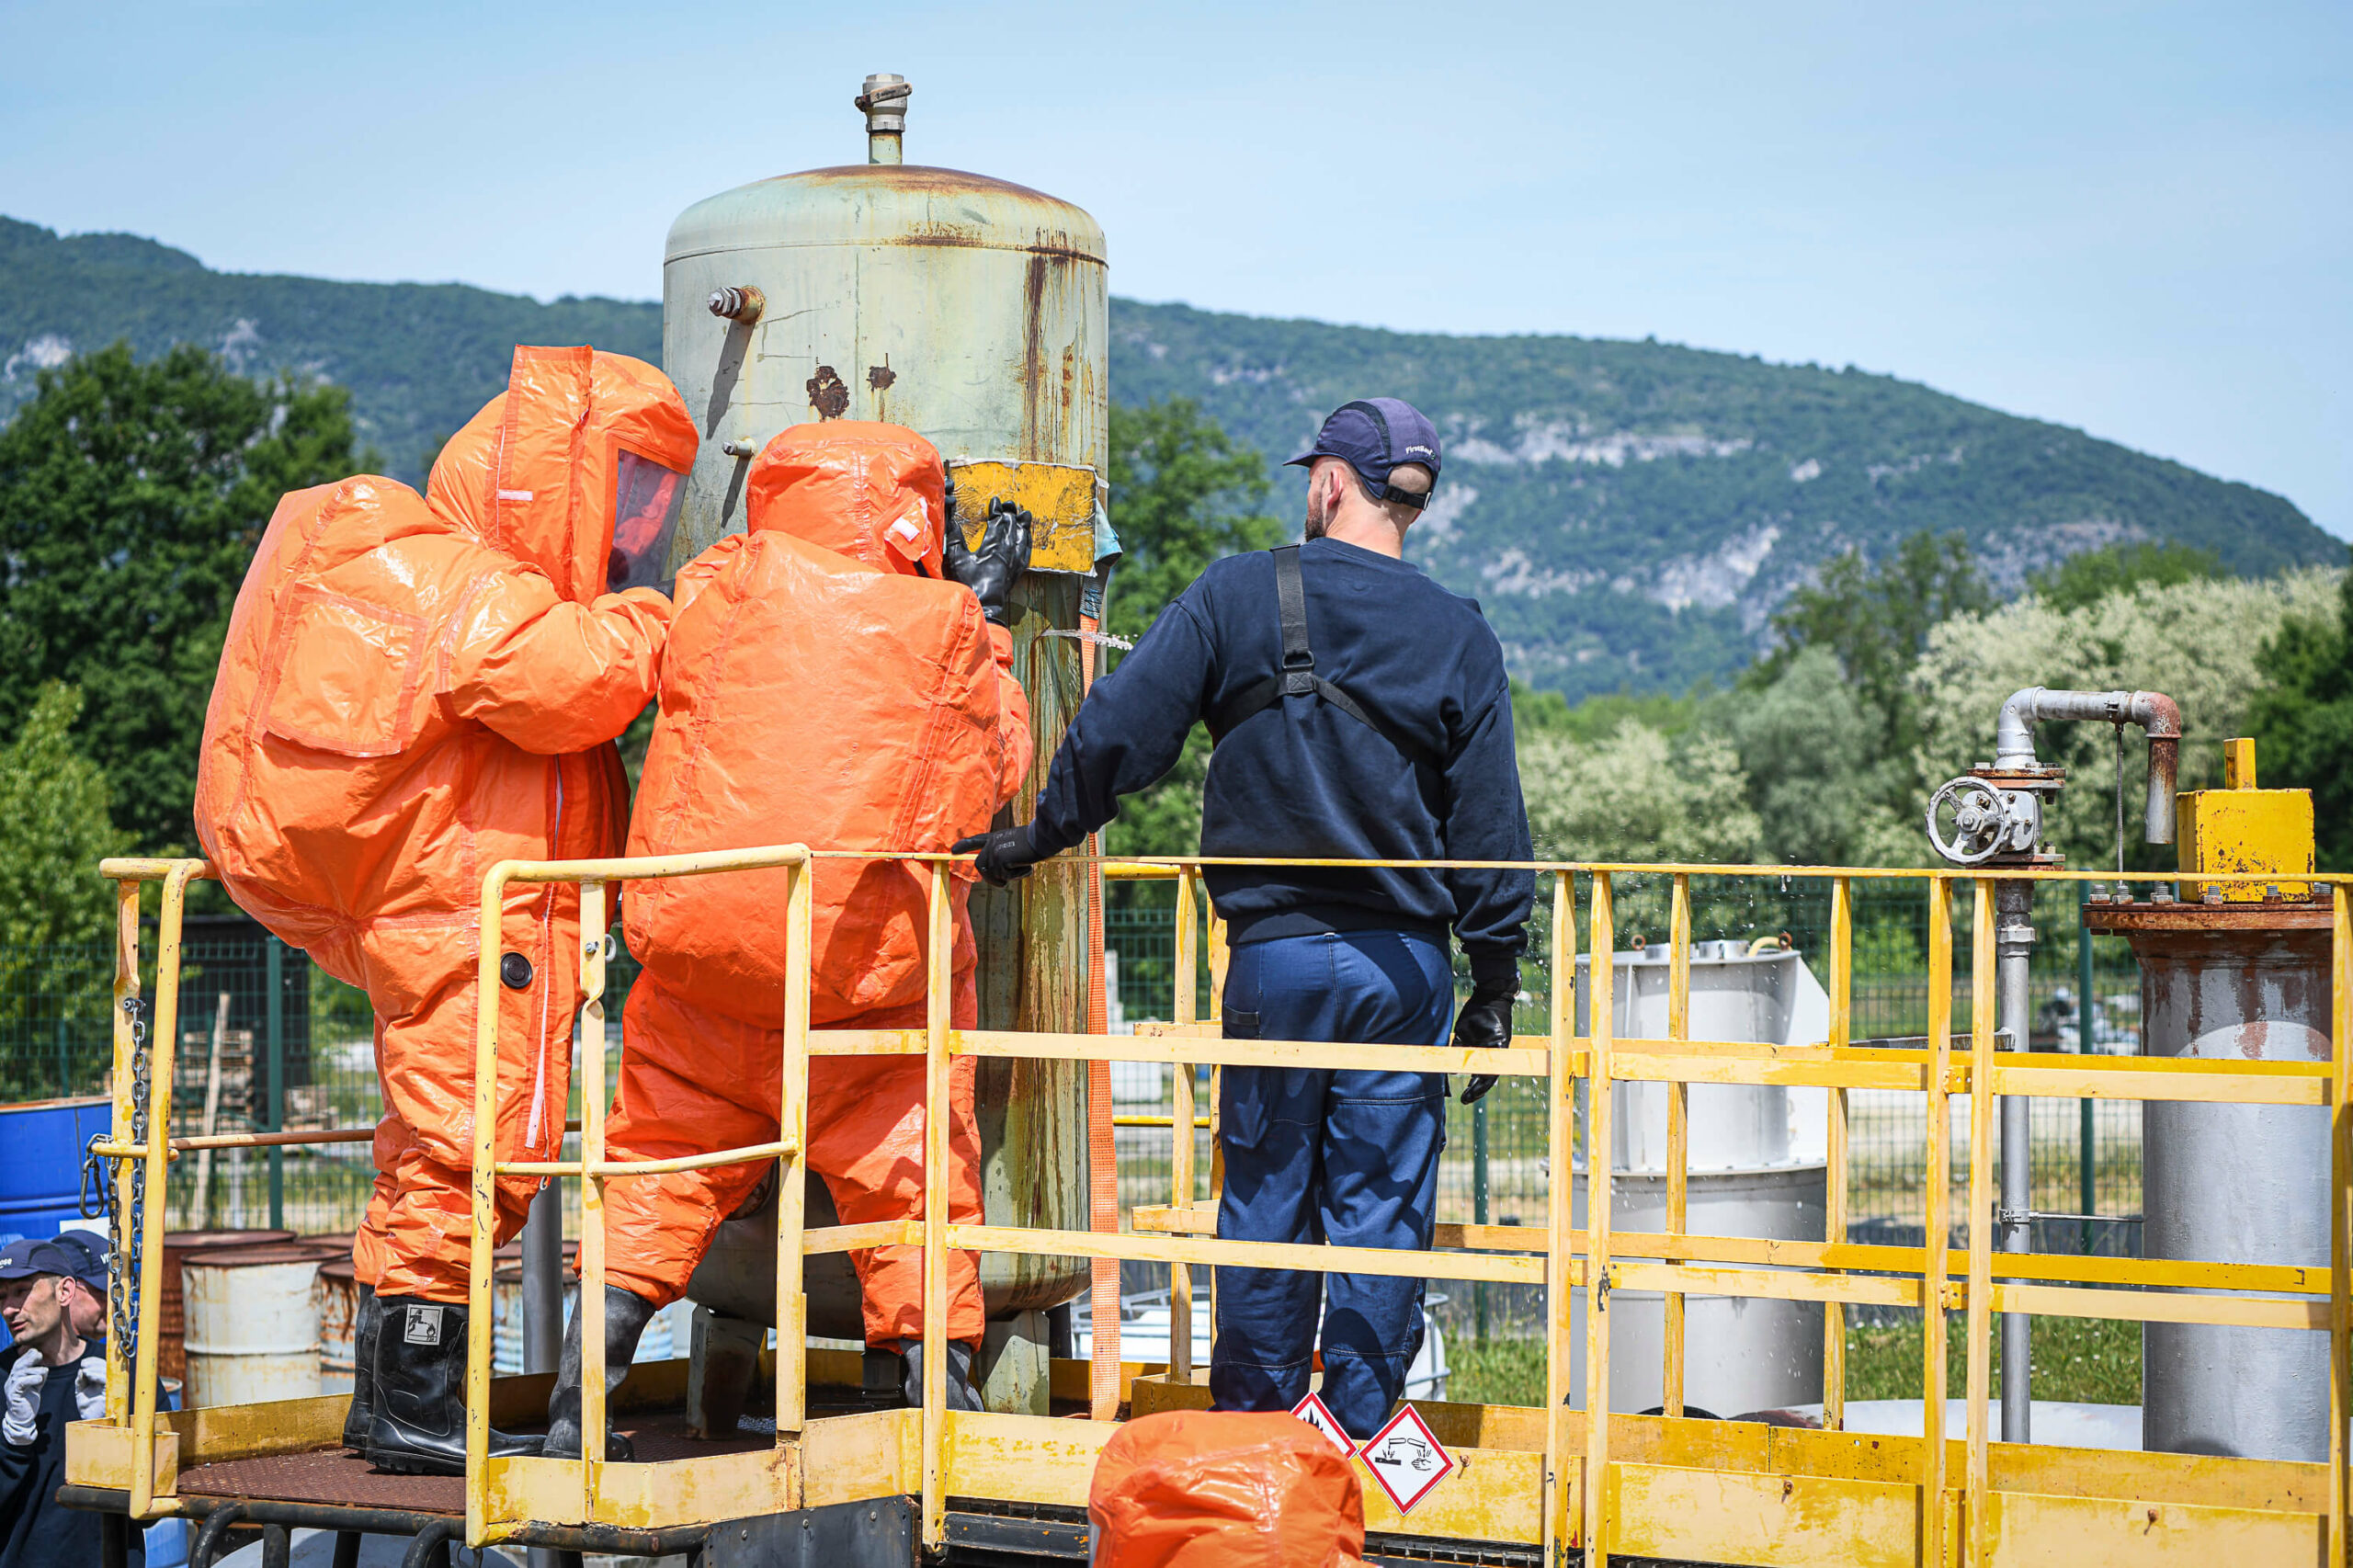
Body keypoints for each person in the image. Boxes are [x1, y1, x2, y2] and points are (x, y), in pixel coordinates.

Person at [957, 398, 1534, 1438]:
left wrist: (1034, 834)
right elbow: (1490, 826)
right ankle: (1359, 1438)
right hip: (1403, 971)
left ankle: (1253, 1449)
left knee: (1265, 1207)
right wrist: (1494, 985)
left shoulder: (1242, 593)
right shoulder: (1459, 631)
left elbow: (1123, 727)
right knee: (1380, 1209)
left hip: (1275, 966)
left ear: (1328, 483)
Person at [193, 346, 697, 1474]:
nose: (634, 536)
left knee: (431, 1144)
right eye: (626, 493)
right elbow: (570, 677)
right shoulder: (466, 582)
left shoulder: (441, 573)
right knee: (480, 1147)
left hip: (453, 905)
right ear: (555, 477)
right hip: (474, 914)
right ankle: (422, 1406)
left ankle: (391, 1401)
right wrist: (686, 614)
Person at [547, 422, 1033, 1455]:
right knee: (916, 1188)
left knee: (651, 1182)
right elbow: (995, 776)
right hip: (868, 988)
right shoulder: (942, 626)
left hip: (699, 977)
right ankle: (932, 1400)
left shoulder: (710, 589)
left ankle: (574, 1403)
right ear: (915, 520)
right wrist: (985, 621)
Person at [0, 1240, 109, 1568]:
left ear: (64, 1292)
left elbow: (150, 1506)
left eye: (22, 1291)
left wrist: (110, 1436)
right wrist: (13, 1443)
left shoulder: (119, 1374)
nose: (8, 1308)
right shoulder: (4, 1379)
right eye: (2, 1296)